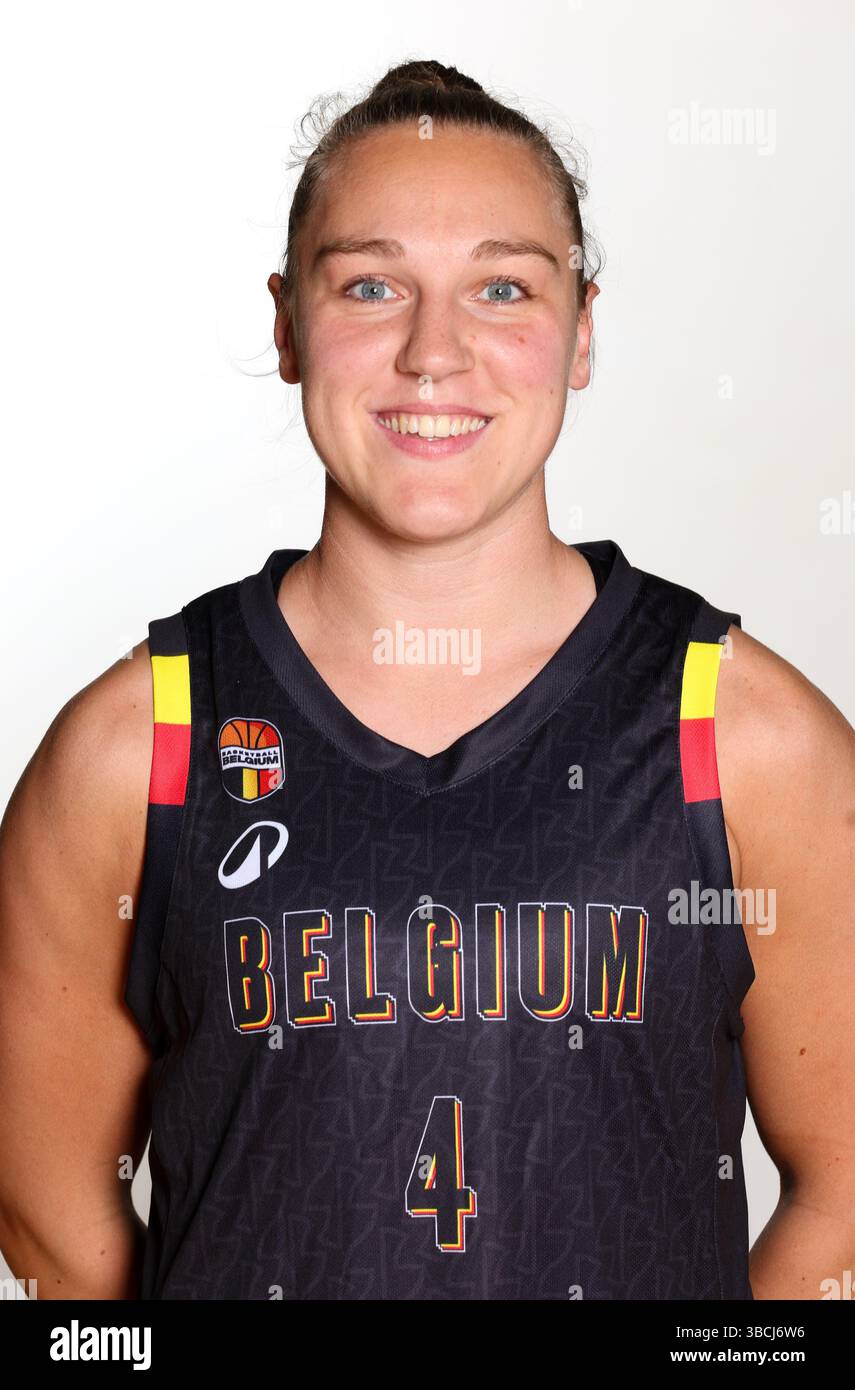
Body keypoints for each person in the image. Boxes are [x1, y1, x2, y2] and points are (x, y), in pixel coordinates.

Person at [0, 59, 853, 1302]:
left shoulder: (744, 734)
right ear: (289, 325)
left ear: (582, 331)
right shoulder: (142, 744)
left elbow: (842, 1191)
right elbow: (43, 1215)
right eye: (372, 285)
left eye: (503, 286)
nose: (433, 352)